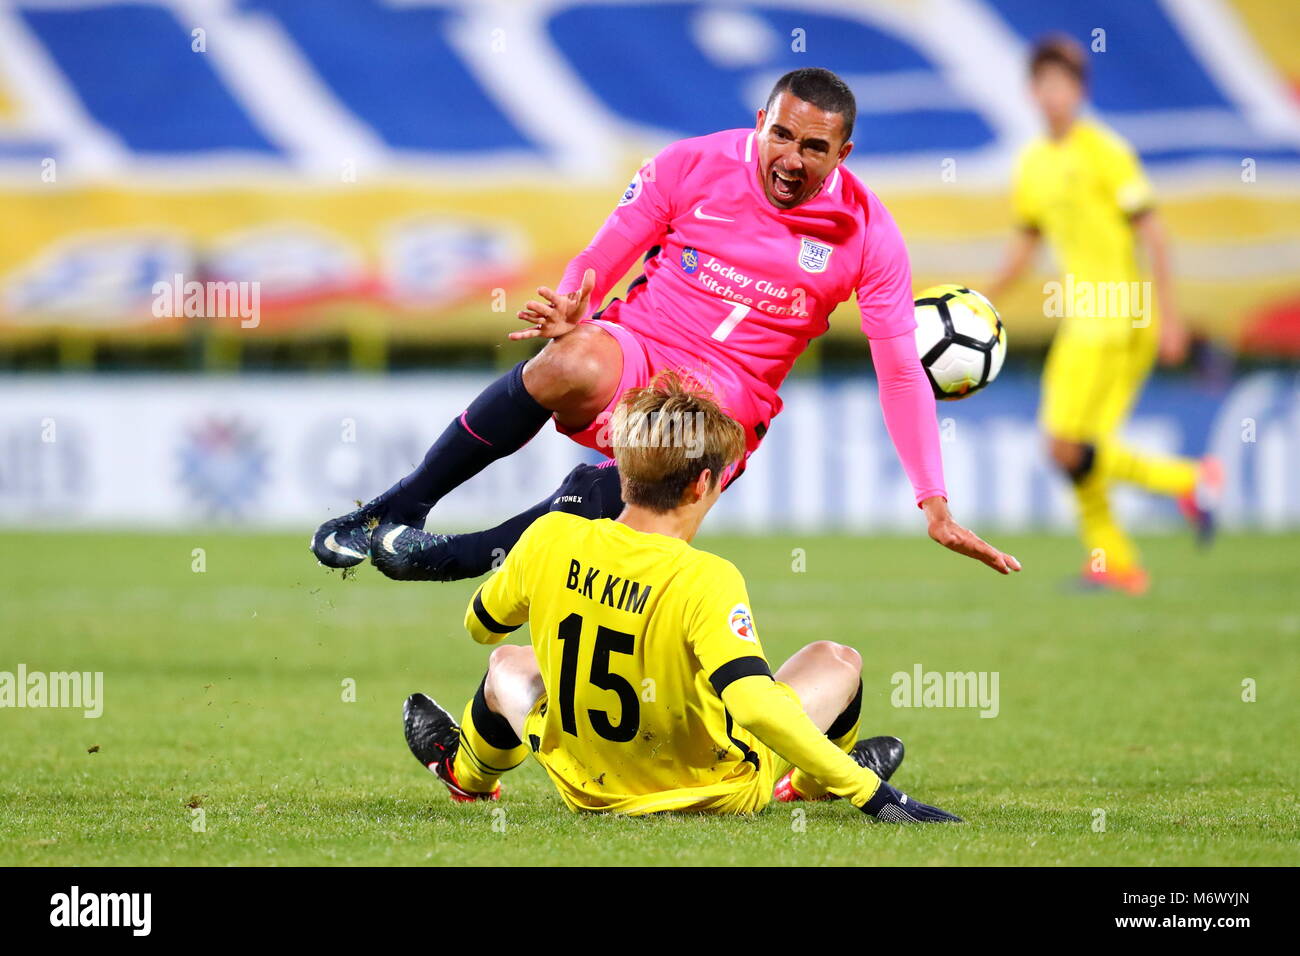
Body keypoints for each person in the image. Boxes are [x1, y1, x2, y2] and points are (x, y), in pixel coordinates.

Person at [311, 67, 1019, 583]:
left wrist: (934, 501)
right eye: (781, 135)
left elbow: (899, 370)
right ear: (761, 123)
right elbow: (602, 253)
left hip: (727, 399)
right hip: (643, 345)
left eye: (814, 148)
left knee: (649, 477)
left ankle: (460, 559)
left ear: (843, 156)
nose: (791, 159)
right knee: (569, 362)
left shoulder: (868, 234)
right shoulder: (691, 164)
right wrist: (569, 303)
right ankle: (396, 507)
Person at [402, 374, 961, 822]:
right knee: (838, 661)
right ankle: (814, 784)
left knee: (506, 662)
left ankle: (466, 773)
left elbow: (483, 627)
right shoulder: (706, 577)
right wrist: (875, 795)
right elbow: (754, 706)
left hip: (585, 786)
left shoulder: (550, 536)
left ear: (621, 469)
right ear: (702, 484)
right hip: (713, 789)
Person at [987, 35, 1220, 595]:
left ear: (1079, 91)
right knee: (1075, 449)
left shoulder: (1105, 150)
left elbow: (1155, 233)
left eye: (1063, 84)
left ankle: (1183, 483)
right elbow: (1024, 246)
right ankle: (1119, 558)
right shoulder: (1034, 164)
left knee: (1065, 445)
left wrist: (1170, 317)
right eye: (1043, 84)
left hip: (1120, 318)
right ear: (1031, 91)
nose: (1053, 95)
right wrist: (976, 299)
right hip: (1083, 317)